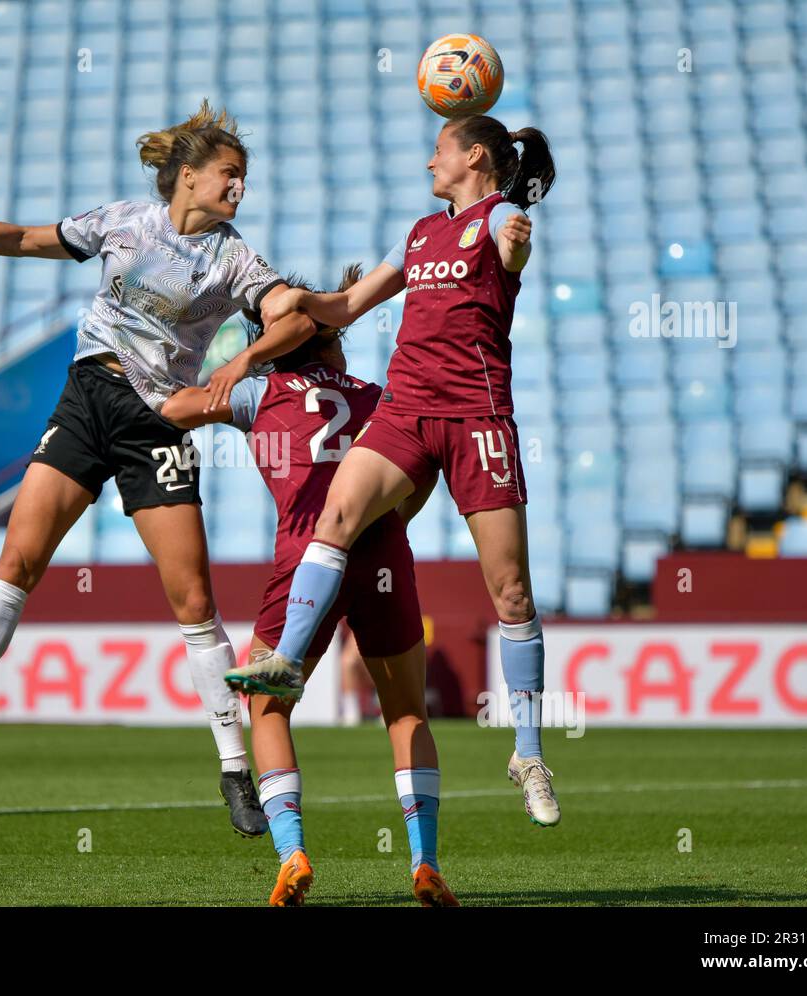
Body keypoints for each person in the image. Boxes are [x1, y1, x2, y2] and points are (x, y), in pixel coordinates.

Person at [0, 102, 315, 836]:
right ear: (187, 177)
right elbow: (25, 237)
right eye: (229, 175)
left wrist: (248, 353)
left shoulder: (235, 256)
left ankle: (235, 771)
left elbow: (294, 314)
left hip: (160, 422)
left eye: (244, 178)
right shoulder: (123, 221)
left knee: (192, 600)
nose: (240, 188)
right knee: (19, 557)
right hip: (88, 398)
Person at [223, 114, 563, 828]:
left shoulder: (501, 217)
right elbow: (349, 304)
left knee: (511, 590)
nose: (427, 162)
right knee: (336, 518)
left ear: (473, 156)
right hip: (405, 410)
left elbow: (510, 246)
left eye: (439, 150)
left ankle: (528, 752)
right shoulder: (418, 234)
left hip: (477, 419)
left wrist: (515, 245)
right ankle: (286, 658)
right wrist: (302, 303)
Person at [160, 267, 457, 906]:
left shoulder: (259, 394)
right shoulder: (379, 397)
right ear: (329, 337)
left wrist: (221, 362)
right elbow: (427, 460)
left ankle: (292, 852)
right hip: (382, 554)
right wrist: (395, 518)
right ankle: (424, 862)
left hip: (305, 561)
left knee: (267, 706)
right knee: (406, 711)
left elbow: (172, 408)